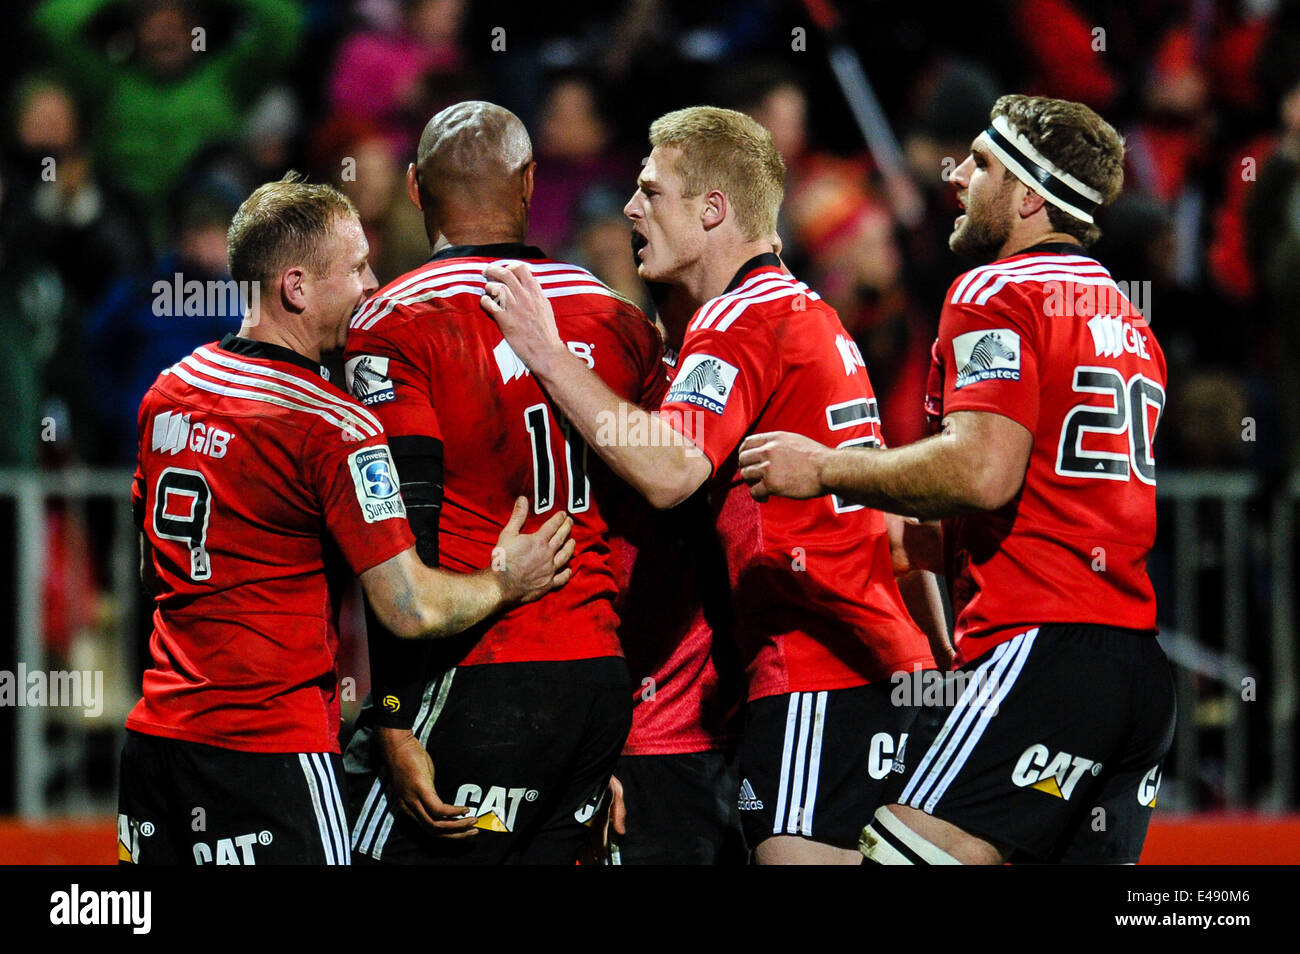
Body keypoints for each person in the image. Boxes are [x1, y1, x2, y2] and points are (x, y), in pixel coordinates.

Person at [482, 106, 948, 865]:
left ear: (712, 209)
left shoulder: (742, 320)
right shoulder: (816, 318)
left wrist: (544, 352)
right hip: (878, 666)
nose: (632, 207)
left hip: (815, 673)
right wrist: (936, 647)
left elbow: (670, 471)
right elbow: (885, 513)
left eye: (651, 191)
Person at [737, 94, 1175, 865]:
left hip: (1039, 647)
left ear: (1029, 195)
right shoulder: (1129, 321)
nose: (959, 177)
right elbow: (1047, 498)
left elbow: (980, 472)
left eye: (981, 164)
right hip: (1136, 668)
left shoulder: (994, 291)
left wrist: (824, 469)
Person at [118, 174, 574, 865]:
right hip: (268, 754)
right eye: (356, 265)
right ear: (296, 287)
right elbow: (409, 606)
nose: (371, 284)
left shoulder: (168, 393)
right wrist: (505, 580)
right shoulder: (331, 424)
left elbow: (153, 570)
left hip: (157, 746)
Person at [341, 102, 662, 864]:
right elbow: (655, 527)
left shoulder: (394, 319)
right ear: (529, 183)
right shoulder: (619, 319)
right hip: (596, 685)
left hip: (473, 678)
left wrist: (391, 715)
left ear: (416, 189)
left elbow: (401, 535)